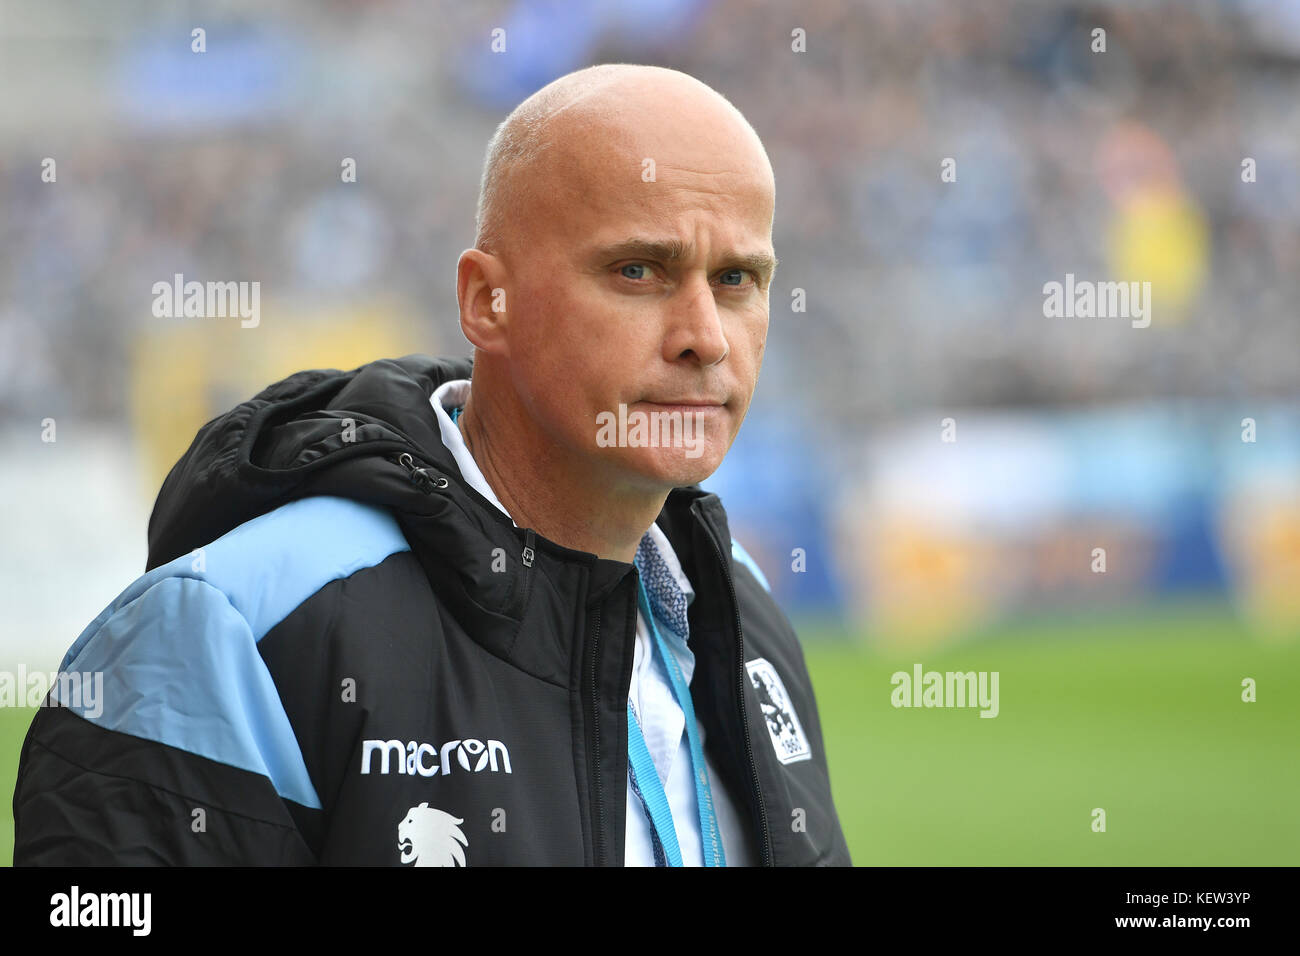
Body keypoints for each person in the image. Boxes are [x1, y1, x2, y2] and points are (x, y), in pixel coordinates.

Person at [13, 63, 851, 866]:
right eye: (638, 271)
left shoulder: (733, 598)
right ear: (489, 300)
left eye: (737, 278)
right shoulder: (241, 624)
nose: (704, 335)